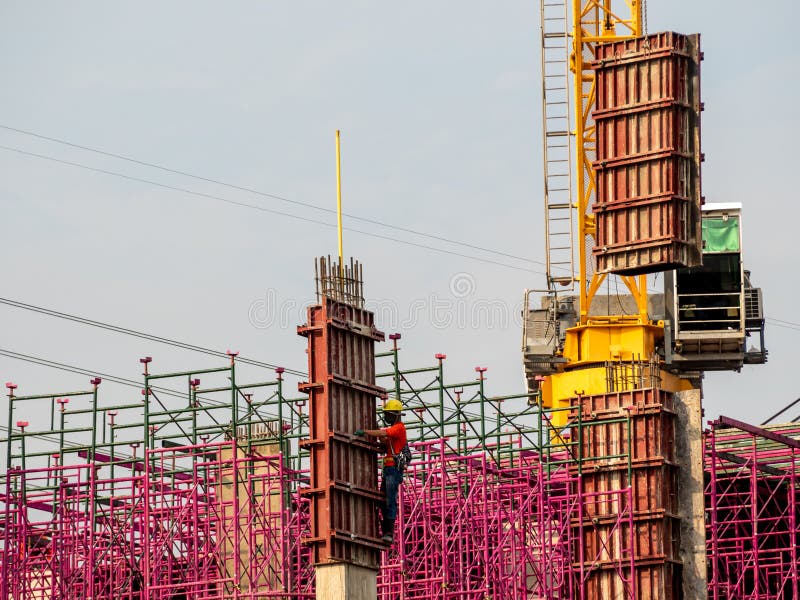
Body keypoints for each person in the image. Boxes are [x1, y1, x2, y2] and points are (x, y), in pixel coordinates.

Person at [354, 398, 407, 544]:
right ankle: (385, 530)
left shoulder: (399, 428)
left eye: (388, 415)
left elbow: (384, 435)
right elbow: (384, 442)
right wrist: (375, 431)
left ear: (396, 415)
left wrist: (366, 431)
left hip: (394, 470)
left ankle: (389, 532)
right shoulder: (393, 432)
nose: (386, 418)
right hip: (388, 469)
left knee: (390, 500)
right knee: (383, 501)